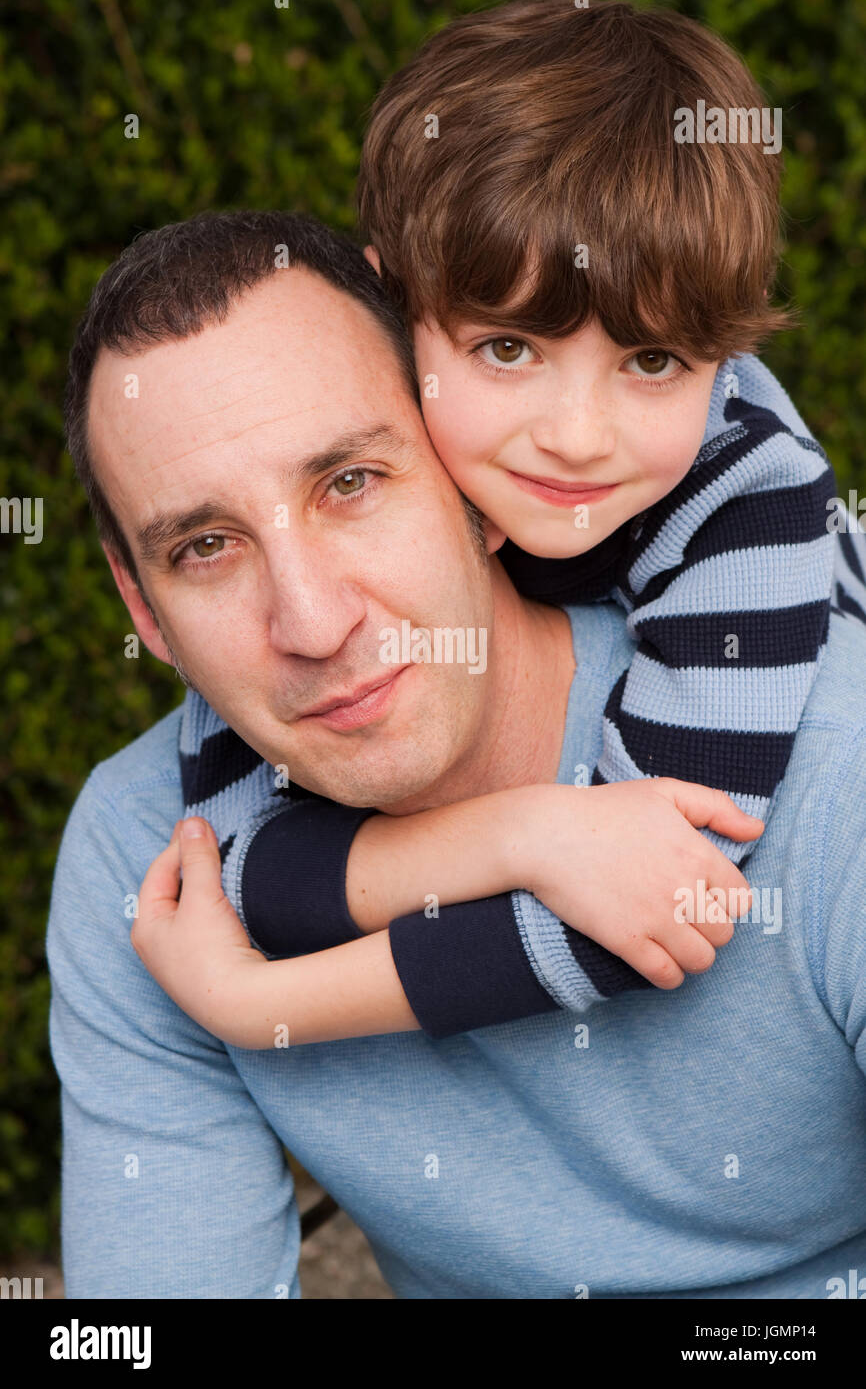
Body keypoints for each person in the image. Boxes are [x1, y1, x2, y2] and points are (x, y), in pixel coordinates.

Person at [49, 206, 866, 1298]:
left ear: (473, 480)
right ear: (141, 608)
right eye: (204, 547)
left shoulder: (827, 762)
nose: (310, 621)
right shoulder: (150, 867)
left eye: (349, 482)